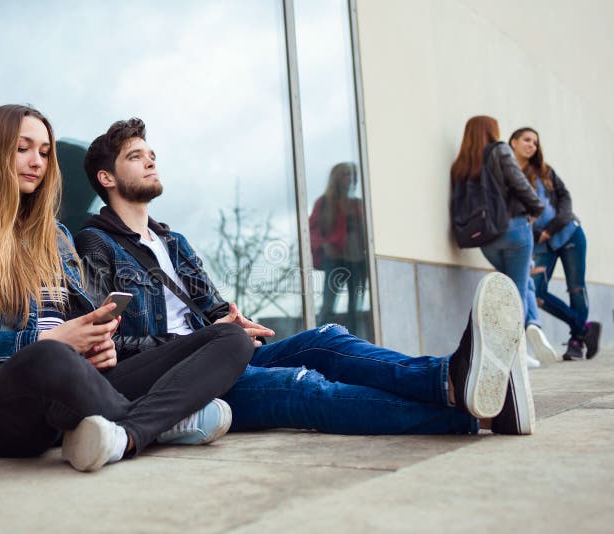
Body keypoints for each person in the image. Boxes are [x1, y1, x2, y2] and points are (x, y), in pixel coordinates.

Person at [75, 117, 535, 437]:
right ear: (107, 178)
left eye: (151, 153)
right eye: (137, 156)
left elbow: (216, 310)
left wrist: (234, 323)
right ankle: (476, 413)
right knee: (305, 387)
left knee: (328, 339)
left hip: (223, 353)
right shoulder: (95, 243)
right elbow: (109, 346)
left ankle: (450, 378)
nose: (151, 160)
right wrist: (202, 341)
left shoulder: (171, 241)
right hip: (180, 381)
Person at [0, 105, 254, 472]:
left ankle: (128, 433)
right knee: (49, 356)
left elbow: (78, 325)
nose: (37, 162)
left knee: (230, 338)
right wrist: (48, 342)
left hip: (75, 387)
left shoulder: (57, 237)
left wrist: (98, 344)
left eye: (45, 152)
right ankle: (161, 423)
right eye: (23, 148)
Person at [450, 116, 551, 360]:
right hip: (514, 228)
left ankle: (531, 326)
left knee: (520, 280)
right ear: (491, 131)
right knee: (517, 287)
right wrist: (537, 209)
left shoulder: (460, 164)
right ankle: (519, 347)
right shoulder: (499, 150)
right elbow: (519, 183)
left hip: (485, 239)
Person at [509, 127, 601, 361]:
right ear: (513, 142)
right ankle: (584, 328)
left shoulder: (545, 171)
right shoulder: (507, 173)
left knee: (576, 288)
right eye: (527, 140)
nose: (532, 145)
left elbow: (565, 200)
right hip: (539, 244)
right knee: (537, 291)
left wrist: (550, 229)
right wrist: (538, 233)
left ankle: (576, 342)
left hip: (568, 233)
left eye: (535, 142)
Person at [308, 162, 368, 335]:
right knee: (328, 305)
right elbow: (311, 229)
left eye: (351, 175)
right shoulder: (324, 203)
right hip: (334, 259)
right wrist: (325, 245)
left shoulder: (357, 203)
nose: (349, 179)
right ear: (336, 178)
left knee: (356, 308)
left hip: (358, 260)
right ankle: (318, 340)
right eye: (345, 174)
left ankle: (356, 345)